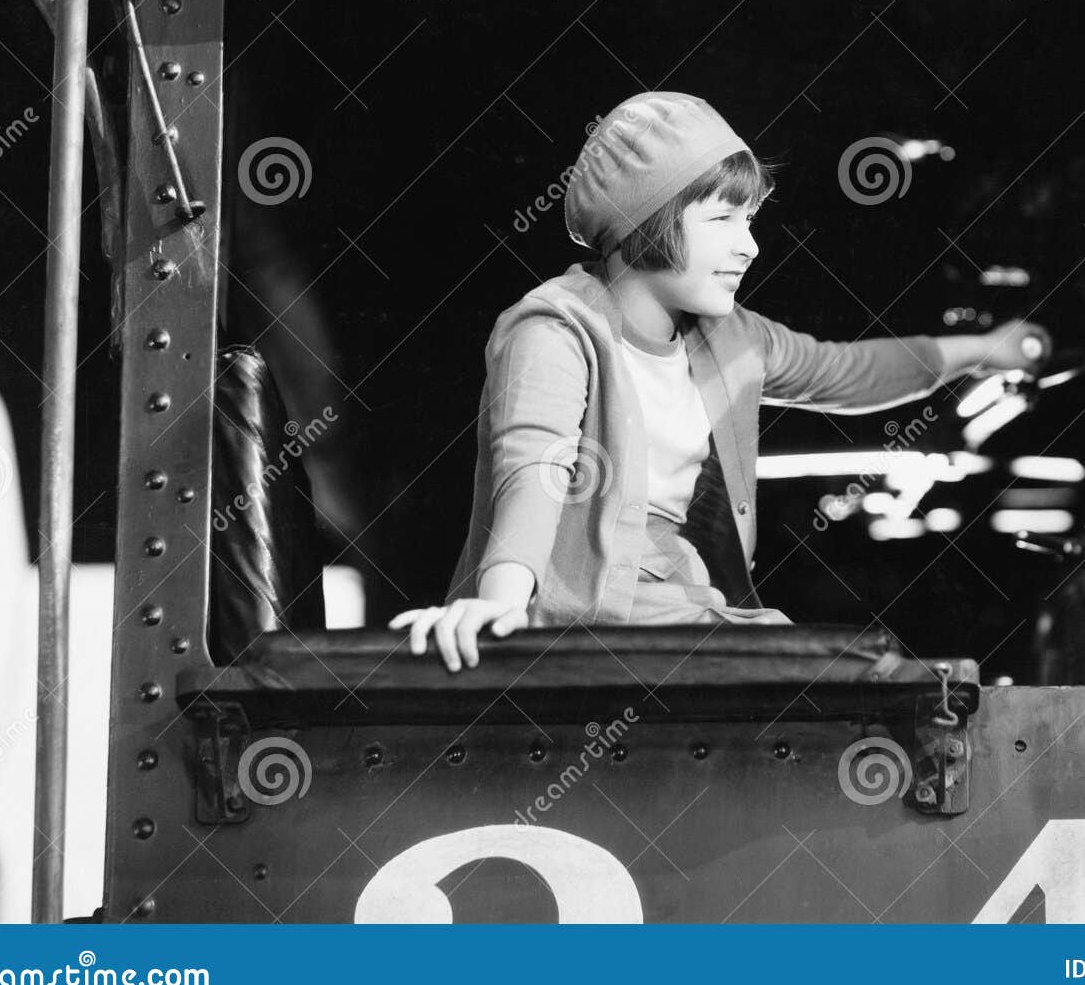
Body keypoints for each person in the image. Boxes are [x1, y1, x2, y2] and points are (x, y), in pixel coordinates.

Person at [391, 92, 1048, 670]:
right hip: (583, 632)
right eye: (723, 218)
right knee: (836, 678)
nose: (749, 245)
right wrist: (500, 604)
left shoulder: (731, 337)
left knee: (853, 673)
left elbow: (847, 372)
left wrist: (983, 350)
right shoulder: (555, 327)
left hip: (684, 616)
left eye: (750, 220)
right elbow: (534, 465)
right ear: (647, 219)